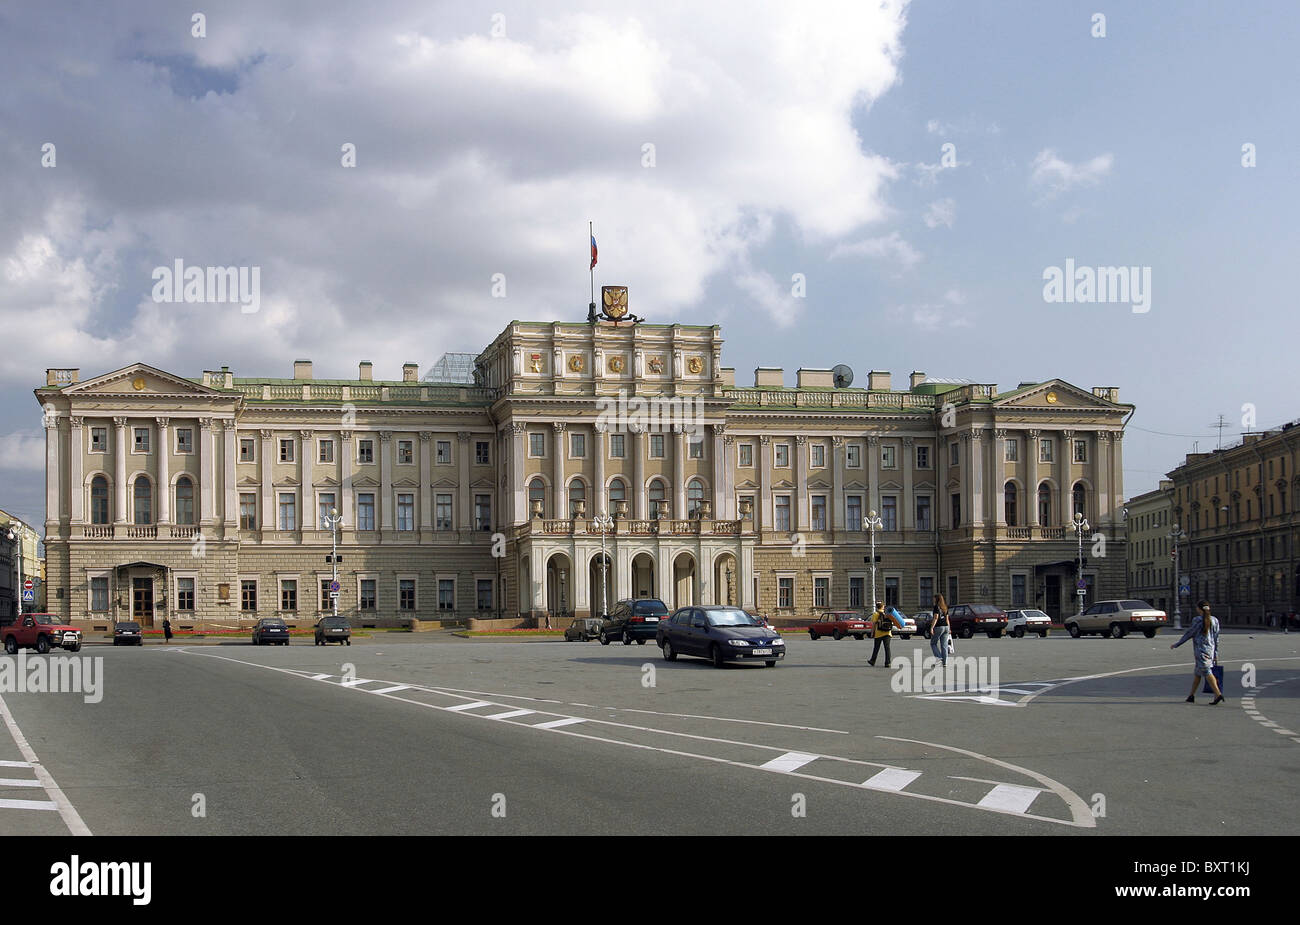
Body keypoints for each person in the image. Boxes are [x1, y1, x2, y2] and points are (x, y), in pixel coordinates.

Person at [1171, 600, 1223, 704]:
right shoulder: (1215, 620)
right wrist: (1215, 653)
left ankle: (1218, 694)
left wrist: (1177, 644)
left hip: (1201, 650)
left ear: (1199, 609)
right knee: (1198, 673)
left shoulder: (1197, 620)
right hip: (1210, 649)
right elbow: (1217, 638)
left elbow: (1190, 633)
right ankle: (1191, 696)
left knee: (1207, 672)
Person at [867, 601, 892, 668]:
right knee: (887, 648)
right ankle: (888, 663)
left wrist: (872, 633)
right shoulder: (887, 613)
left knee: (876, 648)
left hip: (879, 633)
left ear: (877, 607)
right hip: (887, 633)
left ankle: (872, 661)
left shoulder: (875, 614)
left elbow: (874, 624)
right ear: (883, 606)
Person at [930, 592, 951, 667]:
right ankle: (945, 663)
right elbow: (947, 619)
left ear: (937, 599)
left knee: (933, 643)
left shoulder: (936, 607)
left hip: (939, 627)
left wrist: (932, 627)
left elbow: (935, 618)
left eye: (934, 598)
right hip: (946, 627)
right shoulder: (945, 607)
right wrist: (949, 628)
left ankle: (939, 659)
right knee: (944, 645)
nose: (933, 600)